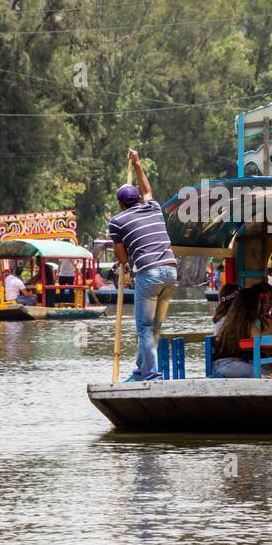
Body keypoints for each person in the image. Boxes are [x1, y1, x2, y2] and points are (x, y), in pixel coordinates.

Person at [109, 149, 179, 382]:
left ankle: (150, 376)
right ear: (138, 199)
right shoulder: (153, 207)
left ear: (120, 204)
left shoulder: (117, 221)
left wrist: (127, 249)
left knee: (145, 329)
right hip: (171, 271)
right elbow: (148, 190)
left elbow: (121, 259)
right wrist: (137, 163)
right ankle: (141, 371)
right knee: (153, 328)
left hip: (149, 274)